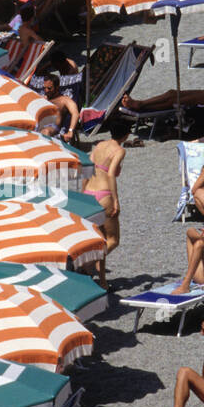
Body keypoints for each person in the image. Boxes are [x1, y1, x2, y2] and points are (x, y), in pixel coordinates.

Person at [84, 116, 129, 286]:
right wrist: (116, 200)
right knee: (112, 240)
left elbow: (87, 167)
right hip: (104, 195)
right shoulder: (119, 151)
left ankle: (102, 281)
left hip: (89, 191)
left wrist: (82, 193)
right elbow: (111, 174)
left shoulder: (100, 145)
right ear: (126, 135)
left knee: (100, 239)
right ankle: (87, 265)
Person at [42, 73, 80, 143]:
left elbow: (75, 114)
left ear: (57, 87)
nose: (46, 90)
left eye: (49, 88)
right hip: (38, 125)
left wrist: (70, 131)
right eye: (44, 88)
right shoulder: (42, 98)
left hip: (51, 128)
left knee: (45, 131)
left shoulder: (64, 100)